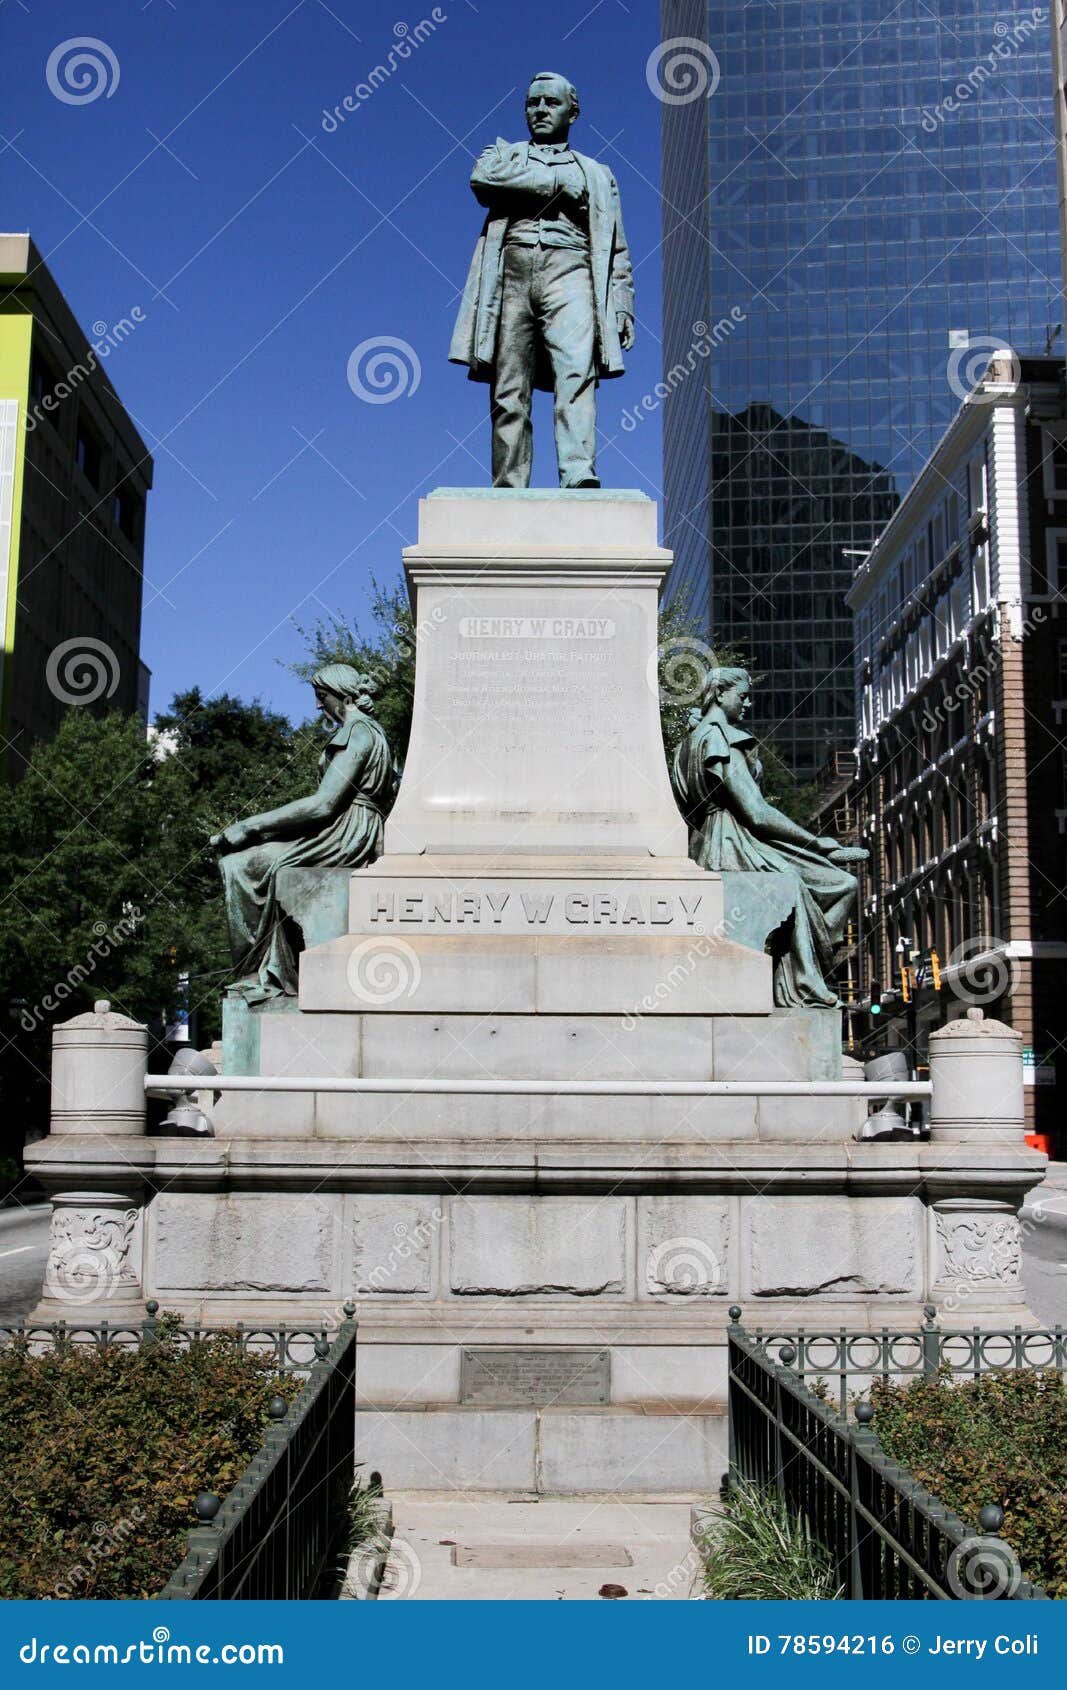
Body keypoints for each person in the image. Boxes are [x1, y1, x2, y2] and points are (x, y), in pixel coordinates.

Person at [449, 71, 634, 488]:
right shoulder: (504, 154)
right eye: (533, 104)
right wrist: (555, 184)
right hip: (511, 271)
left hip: (571, 271)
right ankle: (509, 482)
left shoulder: (596, 174)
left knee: (576, 373)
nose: (540, 110)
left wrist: (622, 304)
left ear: (573, 112)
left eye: (551, 103)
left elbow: (617, 247)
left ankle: (578, 472)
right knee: (508, 383)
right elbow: (483, 179)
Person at [671, 667, 868, 1007]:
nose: (746, 705)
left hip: (711, 840)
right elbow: (757, 813)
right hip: (733, 844)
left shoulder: (688, 743)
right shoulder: (718, 739)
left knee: (840, 884)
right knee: (818, 883)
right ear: (720, 694)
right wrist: (818, 843)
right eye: (742, 696)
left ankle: (801, 973)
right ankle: (803, 979)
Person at [211, 665, 393, 1000]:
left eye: (322, 697)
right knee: (253, 857)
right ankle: (270, 971)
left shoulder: (358, 732)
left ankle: (263, 975)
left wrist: (249, 826)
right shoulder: (370, 732)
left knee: (242, 866)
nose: (318, 706)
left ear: (345, 696)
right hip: (345, 826)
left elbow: (324, 804)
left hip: (346, 832)